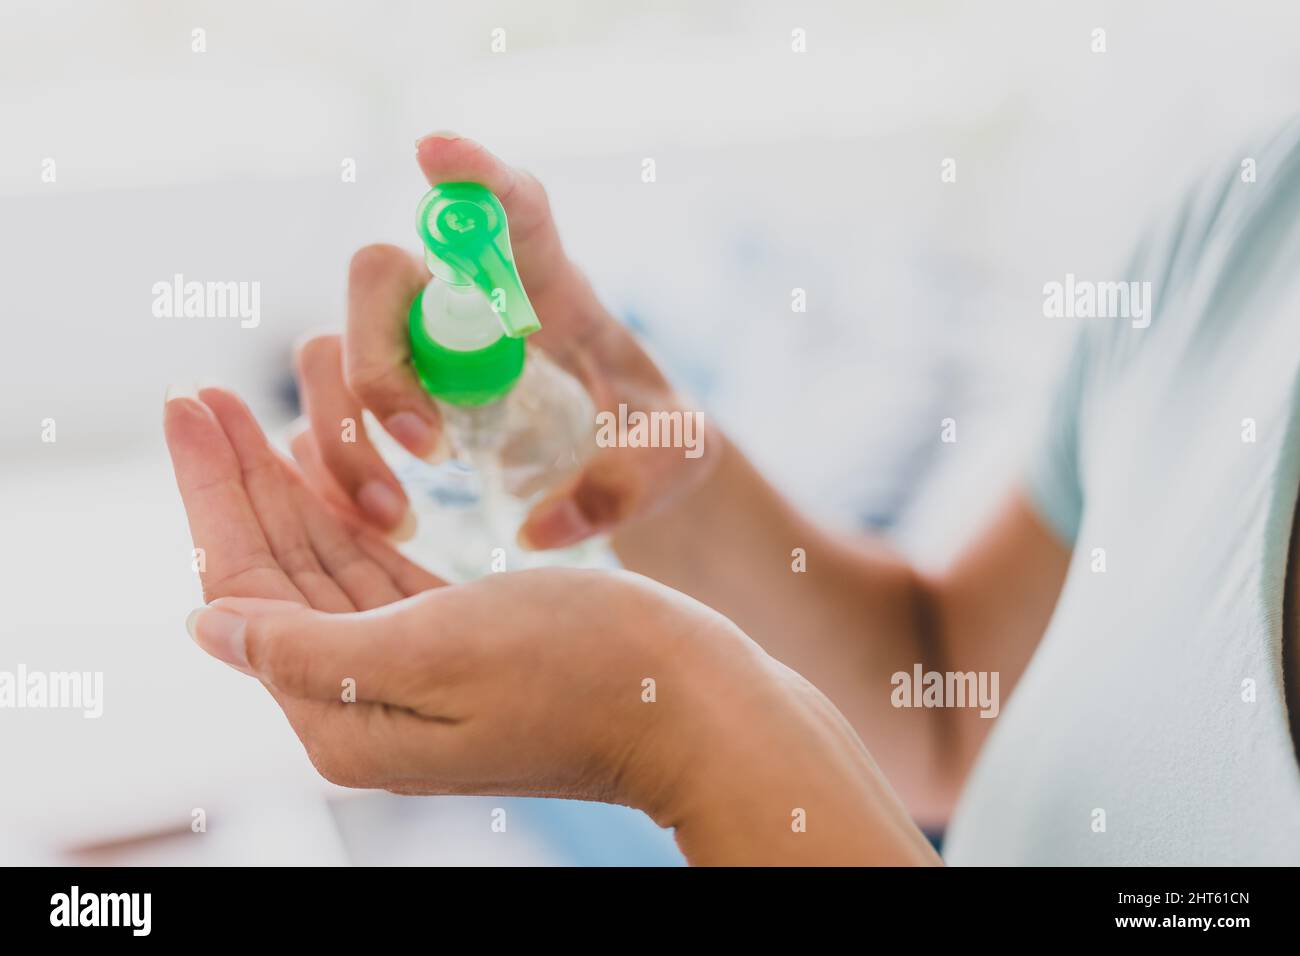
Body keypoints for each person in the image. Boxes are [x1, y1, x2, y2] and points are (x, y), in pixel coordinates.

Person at [165, 126, 1300, 865]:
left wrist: (688, 734)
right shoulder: (1245, 221)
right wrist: (654, 485)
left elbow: (700, 719)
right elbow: (946, 698)